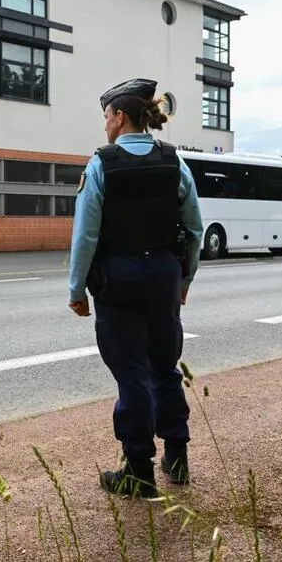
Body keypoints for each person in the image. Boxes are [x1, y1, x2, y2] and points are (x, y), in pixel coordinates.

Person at [67, 77, 203, 498]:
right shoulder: (174, 161)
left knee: (131, 372)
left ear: (120, 117)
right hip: (163, 274)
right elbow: (194, 228)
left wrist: (77, 289)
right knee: (164, 364)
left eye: (106, 116)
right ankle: (177, 457)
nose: (104, 125)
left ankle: (139, 468)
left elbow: (85, 236)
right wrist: (185, 279)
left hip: (118, 278)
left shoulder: (101, 164)